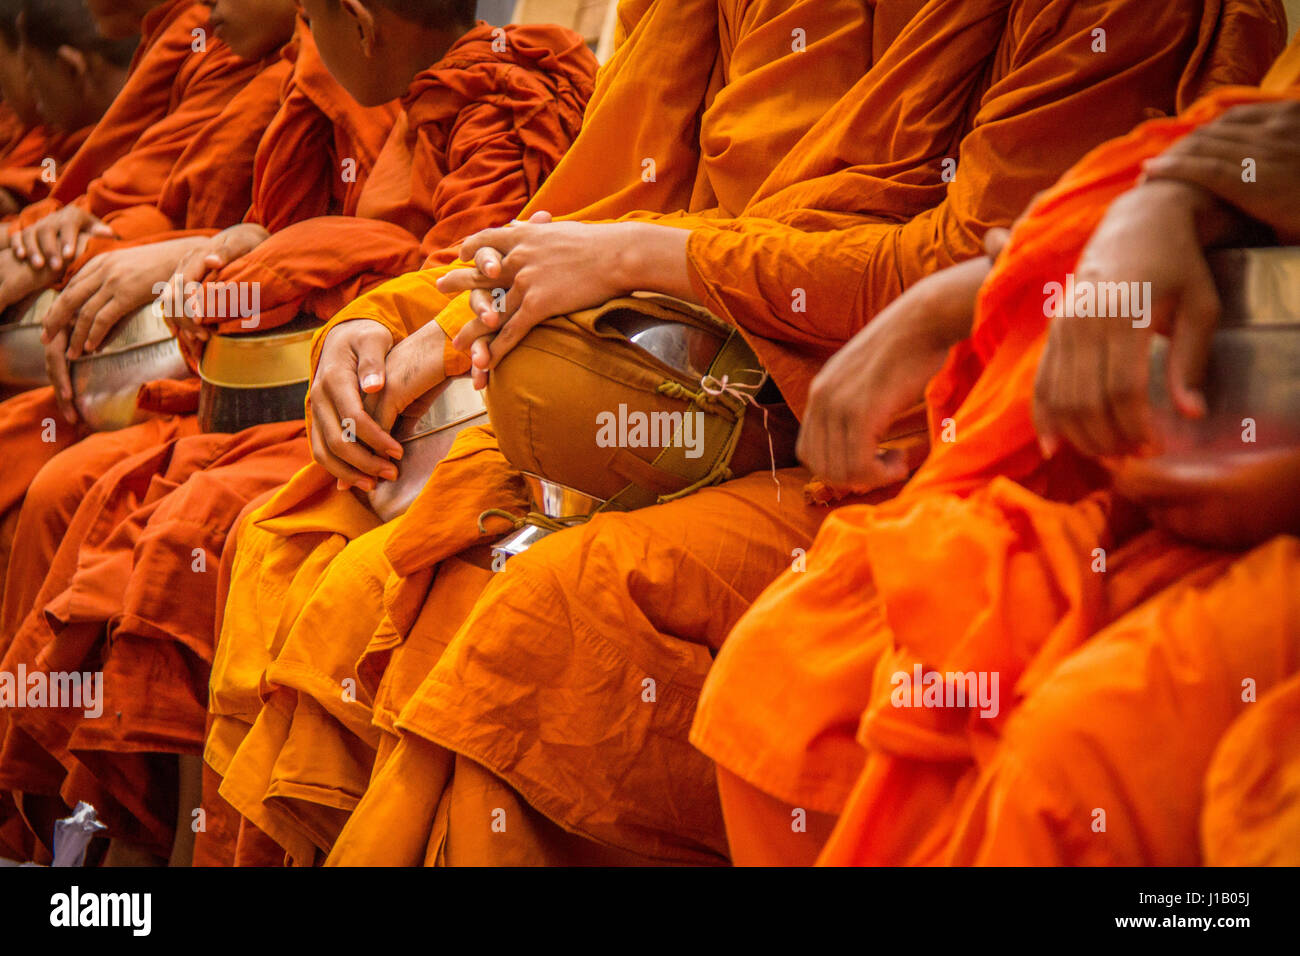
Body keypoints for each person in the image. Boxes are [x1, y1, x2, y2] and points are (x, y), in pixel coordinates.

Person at [221, 0, 1286, 866]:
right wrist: (388, 322)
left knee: (541, 621)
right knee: (293, 536)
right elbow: (582, 211)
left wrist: (660, 259)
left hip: (883, 428)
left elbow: (989, 250)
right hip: (670, 388)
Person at [0, 0, 596, 866]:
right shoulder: (318, 91)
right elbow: (239, 228)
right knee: (79, 487)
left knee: (194, 533)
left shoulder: (513, 89)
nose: (217, 11)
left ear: (351, 21)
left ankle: (161, 850)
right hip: (311, 393)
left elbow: (477, 268)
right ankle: (76, 847)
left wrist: (285, 258)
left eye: (309, 19)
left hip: (442, 410)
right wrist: (238, 247)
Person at [690, 43, 1300, 866]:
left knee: (1078, 749)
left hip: (1131, 439)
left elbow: (960, 240)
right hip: (1120, 425)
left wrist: (971, 291)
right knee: (784, 670)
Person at [0, 0, 133, 213]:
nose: (30, 83)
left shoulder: (138, 132)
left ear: (71, 68)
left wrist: (17, 193)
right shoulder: (62, 136)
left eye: (31, 69)